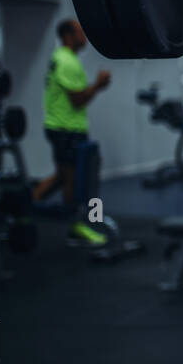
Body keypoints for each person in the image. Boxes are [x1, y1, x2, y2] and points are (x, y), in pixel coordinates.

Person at [32, 18, 112, 246]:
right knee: (74, 181)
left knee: (61, 177)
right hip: (66, 129)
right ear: (68, 36)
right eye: (80, 32)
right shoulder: (66, 61)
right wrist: (98, 85)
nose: (84, 37)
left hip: (64, 128)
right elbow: (78, 100)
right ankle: (76, 227)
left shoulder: (65, 59)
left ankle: (24, 209)